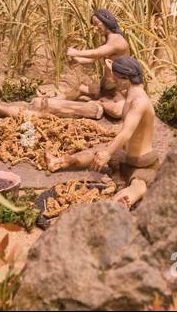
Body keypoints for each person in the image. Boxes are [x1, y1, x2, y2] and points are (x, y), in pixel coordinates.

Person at [46, 56, 159, 209]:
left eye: (116, 78)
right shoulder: (131, 92)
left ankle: (123, 201)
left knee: (139, 184)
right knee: (95, 154)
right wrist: (110, 67)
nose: (114, 81)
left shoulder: (139, 102)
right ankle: (59, 162)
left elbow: (126, 133)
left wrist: (108, 152)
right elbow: (107, 87)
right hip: (125, 156)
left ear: (125, 78)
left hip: (142, 162)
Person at [34, 9, 131, 120]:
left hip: (118, 89)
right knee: (79, 88)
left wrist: (76, 52)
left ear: (107, 21)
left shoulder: (117, 41)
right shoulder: (108, 40)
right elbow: (93, 59)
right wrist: (77, 59)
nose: (96, 28)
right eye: (94, 25)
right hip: (106, 87)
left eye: (97, 23)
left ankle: (97, 104)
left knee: (115, 110)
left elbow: (98, 52)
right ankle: (53, 100)